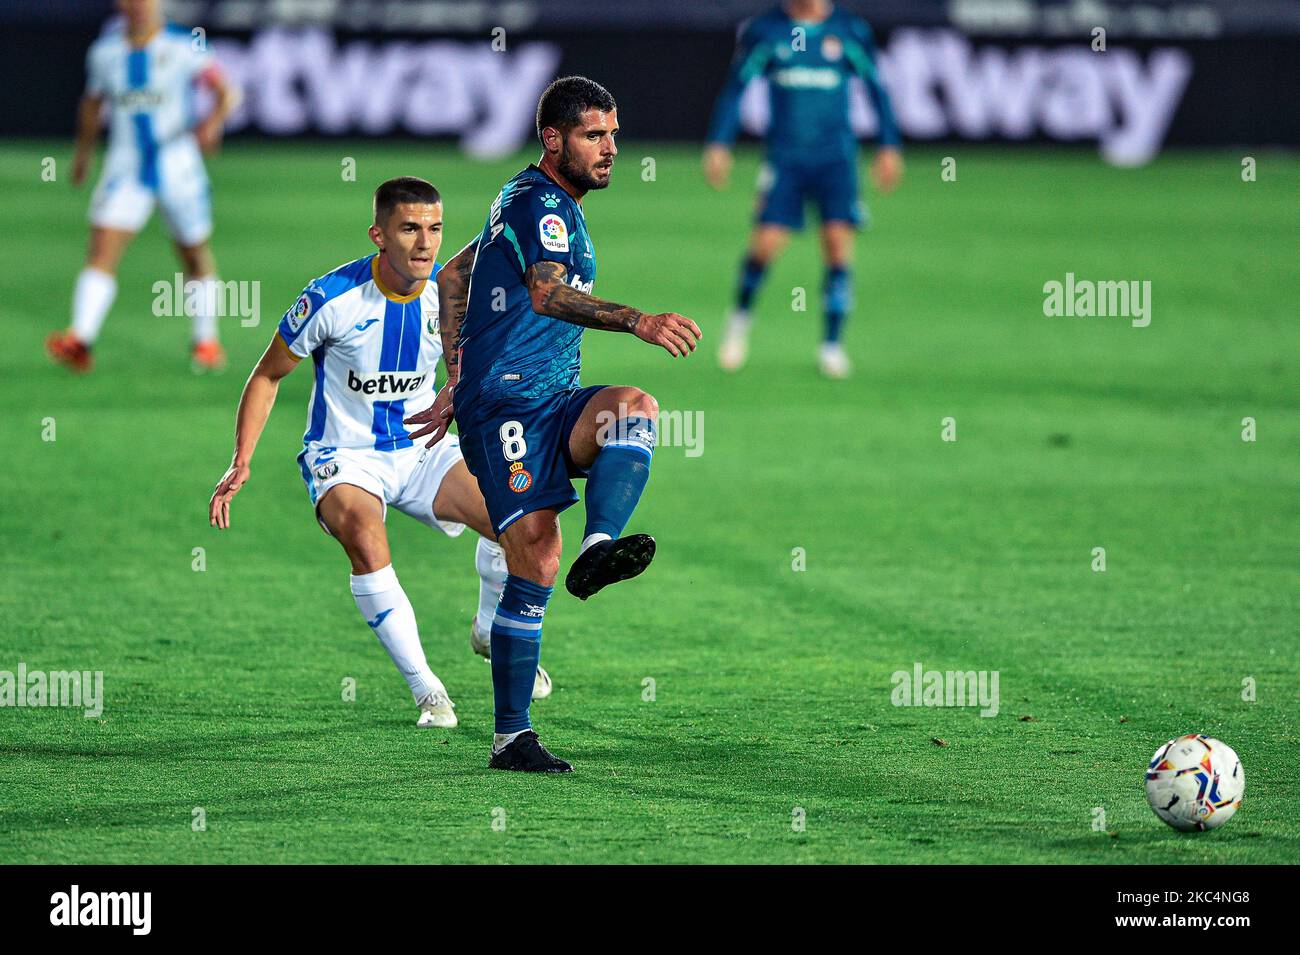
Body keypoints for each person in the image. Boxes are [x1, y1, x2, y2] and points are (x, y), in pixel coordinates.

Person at [406, 77, 702, 772]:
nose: (611, 149)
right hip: (506, 408)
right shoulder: (543, 202)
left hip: (551, 396)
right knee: (536, 555)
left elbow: (451, 277)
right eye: (595, 136)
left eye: (615, 134)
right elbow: (544, 293)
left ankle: (600, 547)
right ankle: (512, 737)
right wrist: (637, 319)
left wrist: (455, 371)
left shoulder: (536, 200)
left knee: (633, 407)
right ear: (553, 139)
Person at [208, 177, 551, 730]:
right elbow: (268, 375)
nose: (425, 243)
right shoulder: (330, 299)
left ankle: (490, 629)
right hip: (345, 455)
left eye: (435, 228)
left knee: (519, 523)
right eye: (410, 228)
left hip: (422, 448)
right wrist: (241, 459)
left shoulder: (450, 299)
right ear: (378, 235)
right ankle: (428, 690)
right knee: (366, 539)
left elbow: (486, 369)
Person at [704, 0, 903, 378]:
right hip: (785, 160)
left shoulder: (849, 29)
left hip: (836, 160)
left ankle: (832, 345)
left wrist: (889, 145)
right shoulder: (766, 31)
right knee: (764, 246)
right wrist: (719, 143)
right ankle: (740, 320)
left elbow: (877, 88)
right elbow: (735, 89)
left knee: (837, 248)